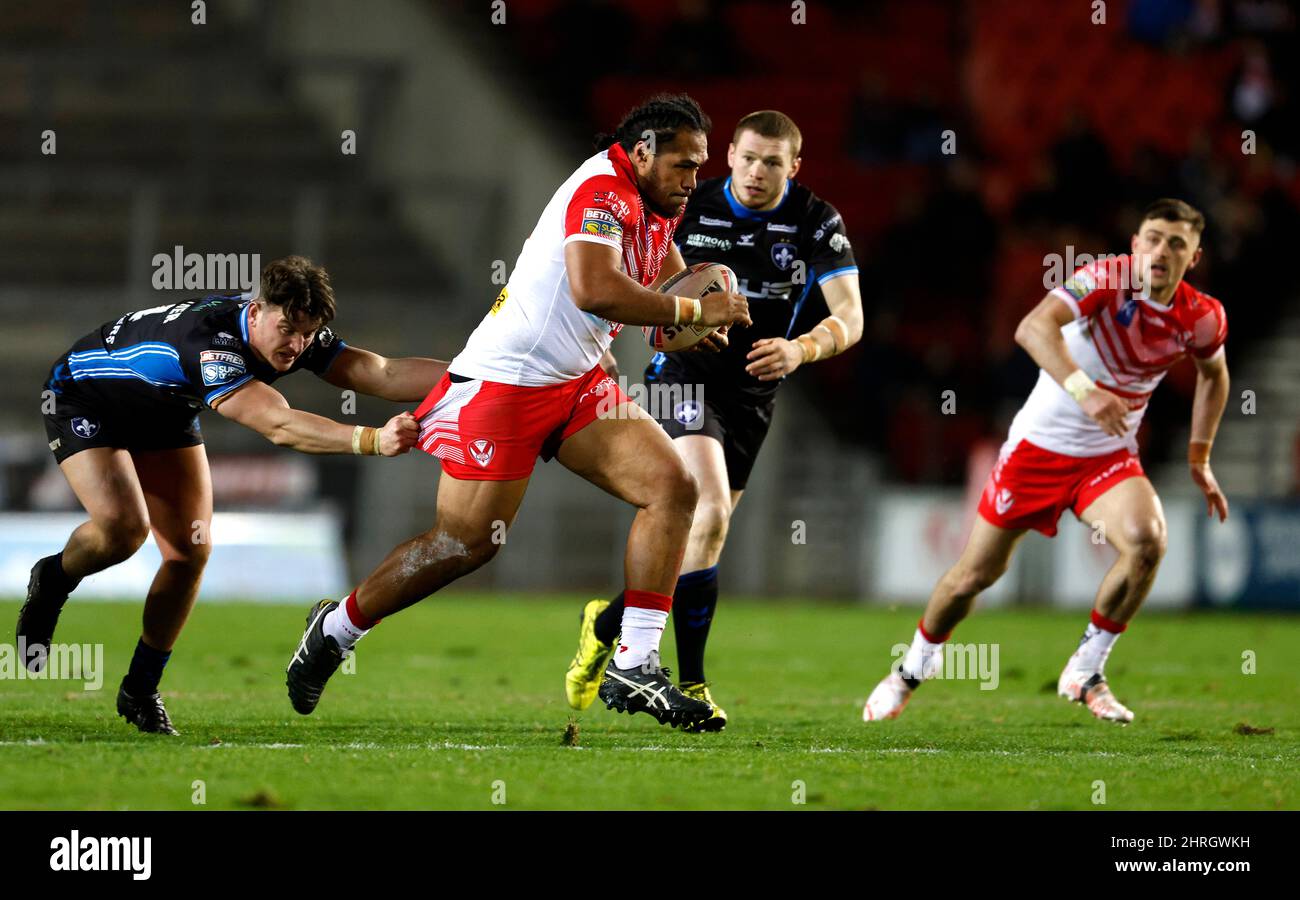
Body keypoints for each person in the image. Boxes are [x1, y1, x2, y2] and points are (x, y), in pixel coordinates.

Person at [284, 94, 752, 729]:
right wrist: (697, 312)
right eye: (683, 166)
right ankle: (336, 628)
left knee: (673, 488)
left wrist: (694, 307)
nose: (694, 181)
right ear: (642, 153)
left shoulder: (653, 200)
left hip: (579, 381)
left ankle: (634, 663)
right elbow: (595, 287)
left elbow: (664, 285)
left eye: (699, 167)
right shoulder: (603, 192)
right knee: (463, 543)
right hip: (510, 384)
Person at [20, 256, 442, 734]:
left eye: (307, 333)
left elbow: (381, 373)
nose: (296, 345)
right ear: (256, 310)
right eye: (286, 329)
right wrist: (372, 439)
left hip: (163, 408)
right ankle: (52, 580)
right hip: (85, 395)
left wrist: (482, 377)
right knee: (123, 531)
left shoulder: (292, 328)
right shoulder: (211, 346)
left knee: (189, 552)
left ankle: (140, 690)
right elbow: (279, 425)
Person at [863, 199, 1230, 724]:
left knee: (1148, 541)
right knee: (973, 577)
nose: (1160, 251)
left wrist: (1200, 456)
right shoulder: (1105, 279)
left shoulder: (1201, 316)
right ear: (1135, 244)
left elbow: (1216, 377)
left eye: (1176, 243)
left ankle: (1086, 670)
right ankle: (912, 668)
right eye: (1152, 237)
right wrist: (1087, 392)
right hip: (1037, 451)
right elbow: (1033, 328)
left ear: (1195, 257)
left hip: (1107, 458)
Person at [565, 110, 863, 732]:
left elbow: (851, 317)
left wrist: (802, 348)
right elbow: (637, 275)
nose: (757, 173)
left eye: (773, 163)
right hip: (683, 377)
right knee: (709, 509)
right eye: (749, 158)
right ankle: (691, 682)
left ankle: (607, 624)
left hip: (755, 391)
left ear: (795, 167)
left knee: (702, 538)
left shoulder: (816, 221)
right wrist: (663, 326)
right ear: (730, 154)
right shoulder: (689, 204)